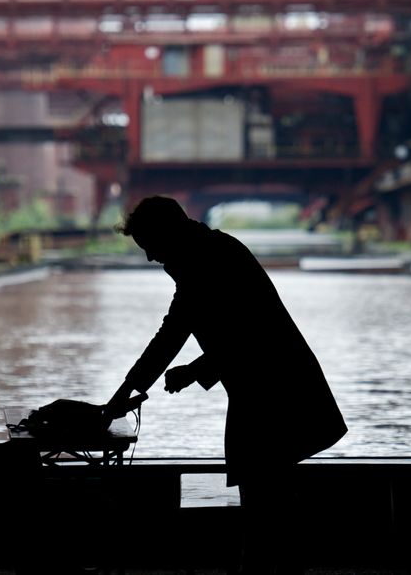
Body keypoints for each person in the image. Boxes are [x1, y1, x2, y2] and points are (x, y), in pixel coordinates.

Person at [105, 196, 348, 573]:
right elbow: (195, 334)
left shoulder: (204, 263)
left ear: (168, 235)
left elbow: (238, 336)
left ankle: (266, 573)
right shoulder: (209, 253)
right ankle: (272, 571)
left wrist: (130, 394)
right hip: (270, 387)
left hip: (272, 394)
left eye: (151, 247)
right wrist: (130, 391)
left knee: (265, 493)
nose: (152, 258)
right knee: (269, 490)